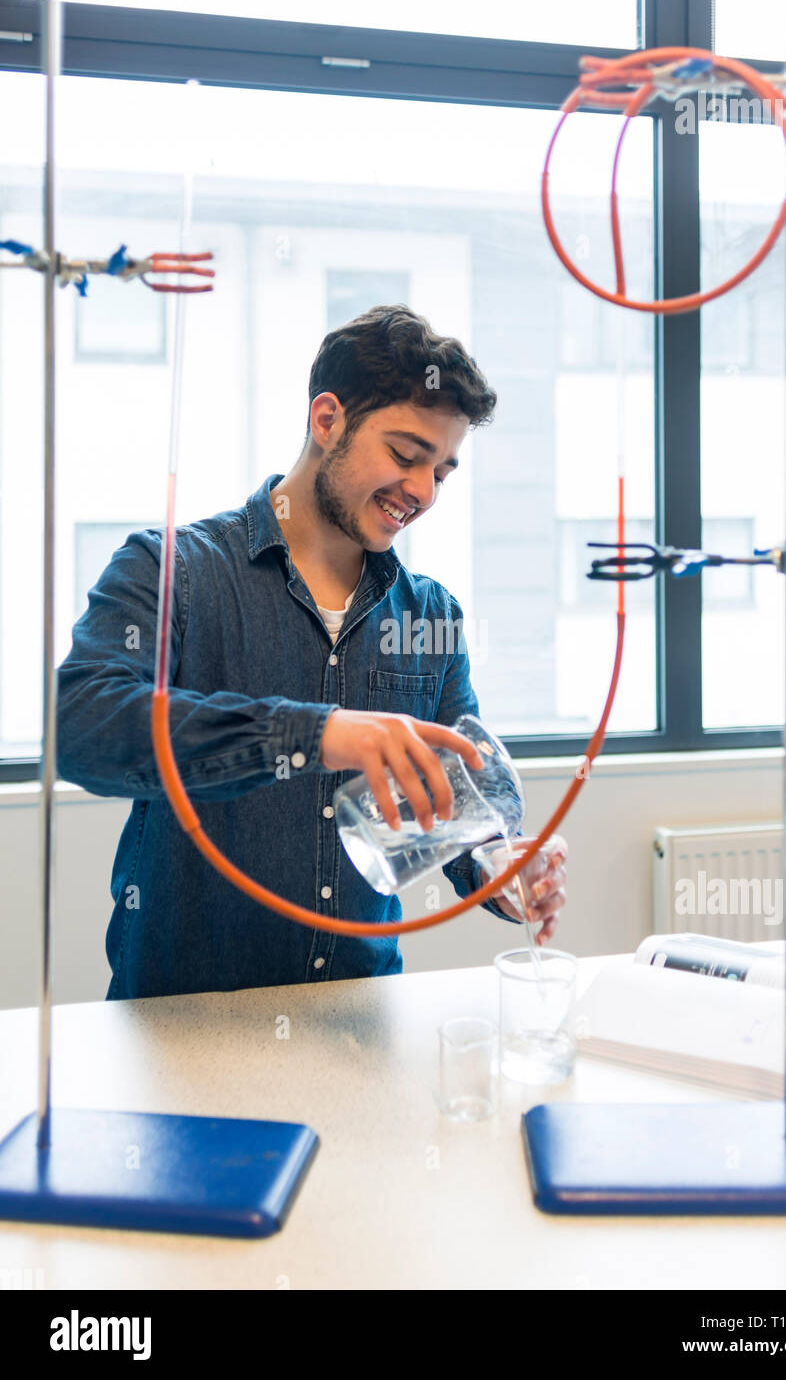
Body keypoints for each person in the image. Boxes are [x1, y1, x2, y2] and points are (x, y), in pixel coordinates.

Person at [57, 304, 567, 999]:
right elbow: (83, 728)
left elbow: (457, 808)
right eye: (405, 456)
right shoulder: (172, 571)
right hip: (181, 1025)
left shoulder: (431, 615)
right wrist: (315, 735)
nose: (421, 492)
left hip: (361, 1020)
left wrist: (500, 870)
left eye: (441, 473)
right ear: (326, 420)